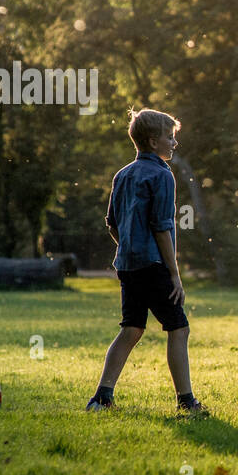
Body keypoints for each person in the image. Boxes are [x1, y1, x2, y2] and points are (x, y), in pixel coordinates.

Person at [86, 108, 206, 414]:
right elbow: (162, 227)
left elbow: (112, 223)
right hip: (154, 265)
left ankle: (101, 398)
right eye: (170, 137)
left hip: (127, 265)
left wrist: (128, 246)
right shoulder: (161, 175)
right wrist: (174, 274)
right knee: (178, 328)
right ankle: (186, 401)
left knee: (132, 329)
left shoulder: (122, 175)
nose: (174, 143)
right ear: (153, 141)